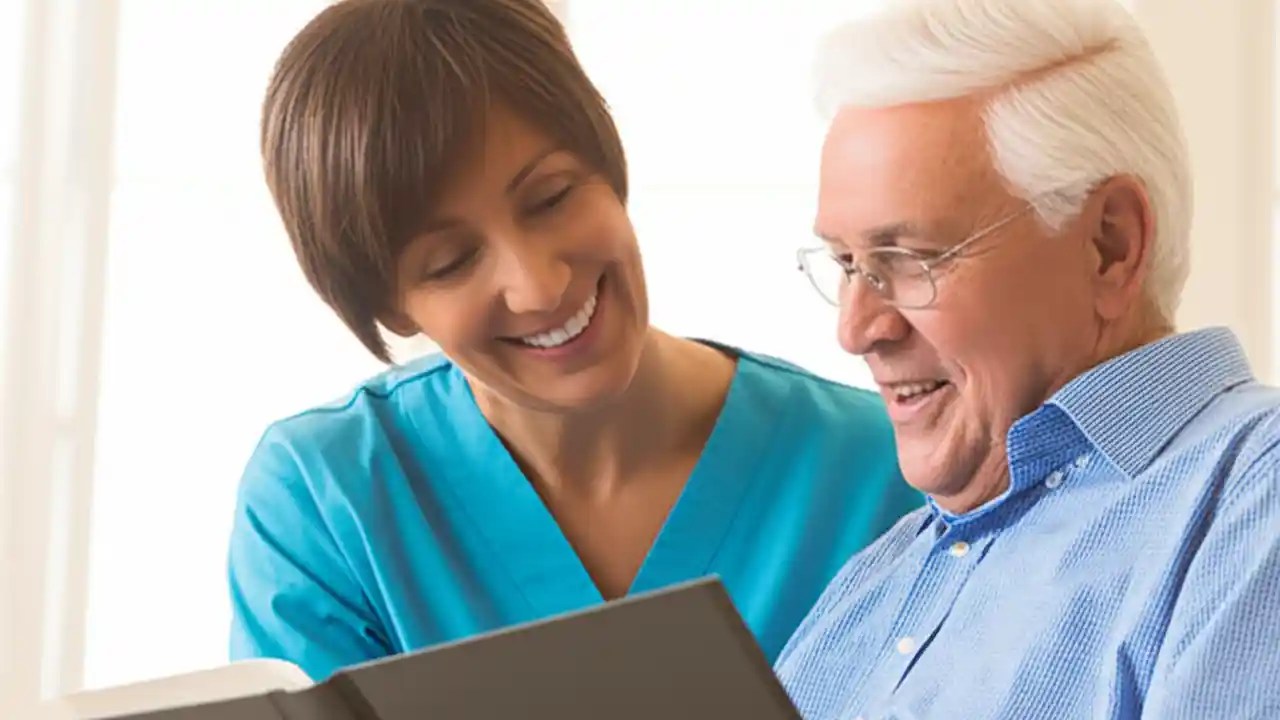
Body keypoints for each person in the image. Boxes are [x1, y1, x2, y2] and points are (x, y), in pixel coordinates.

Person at [227, 0, 920, 683]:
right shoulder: (328, 498)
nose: (538, 285)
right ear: (389, 306)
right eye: (449, 263)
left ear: (608, 165)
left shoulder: (883, 469)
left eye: (551, 198)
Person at [775, 0, 1280, 718]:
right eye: (847, 262)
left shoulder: (1254, 499)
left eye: (909, 258)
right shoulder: (873, 587)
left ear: (1110, 246)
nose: (857, 329)